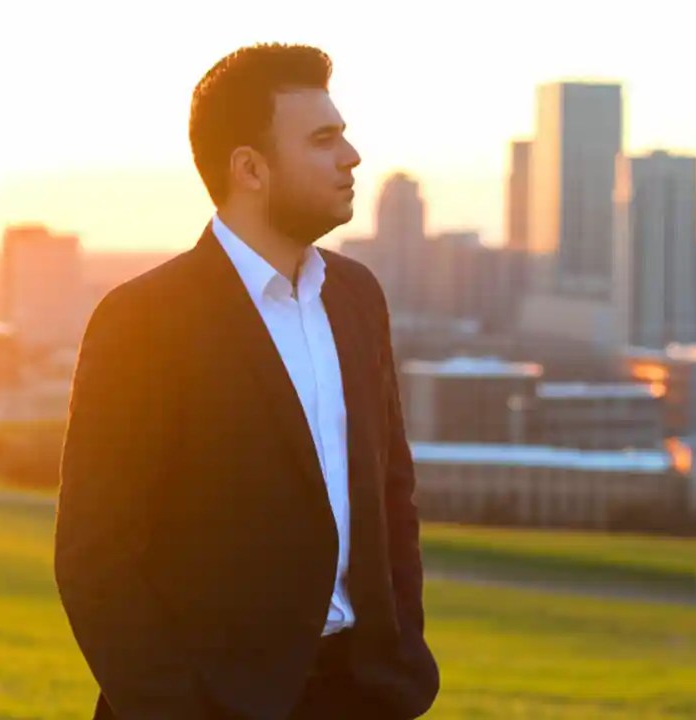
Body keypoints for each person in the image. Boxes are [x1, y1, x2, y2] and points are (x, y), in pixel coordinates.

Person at [54, 43, 439, 720]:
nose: (351, 157)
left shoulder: (356, 297)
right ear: (250, 169)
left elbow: (390, 495)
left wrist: (402, 663)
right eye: (324, 140)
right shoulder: (142, 320)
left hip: (362, 694)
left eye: (344, 135)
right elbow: (96, 561)